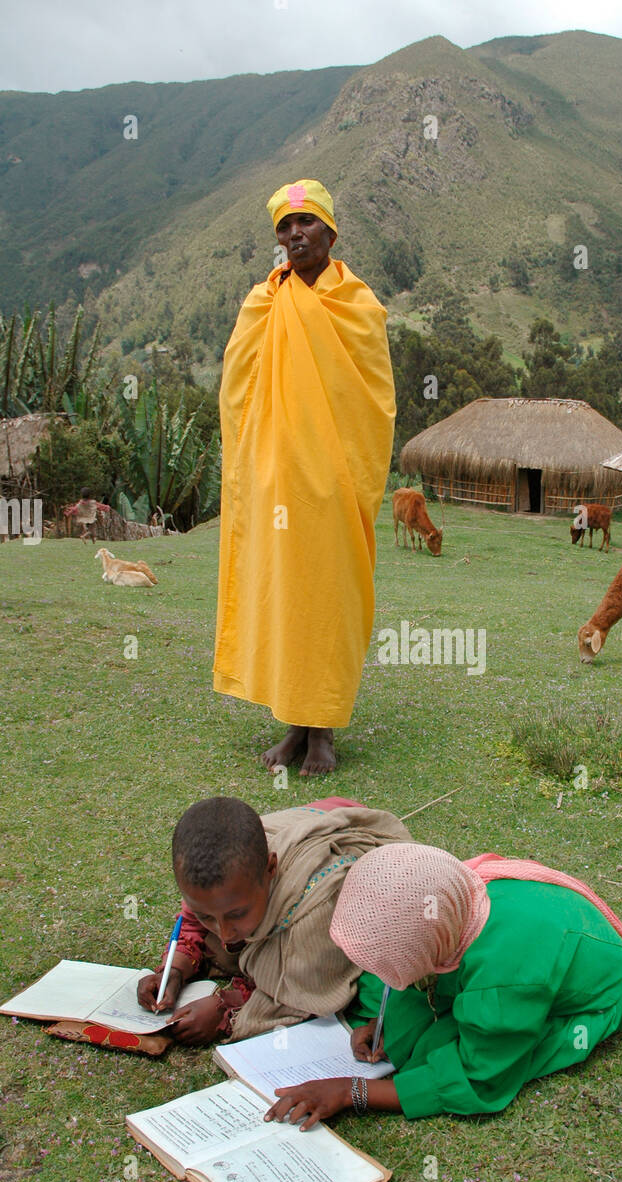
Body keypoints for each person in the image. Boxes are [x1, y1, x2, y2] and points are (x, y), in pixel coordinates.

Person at [263, 844, 622, 1130]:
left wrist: (352, 1092)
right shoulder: (449, 898)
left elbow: (476, 1075)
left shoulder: (506, 977)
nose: (385, 980)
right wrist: (376, 1017)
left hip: (596, 995)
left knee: (451, 1056)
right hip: (522, 951)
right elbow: (399, 971)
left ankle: (543, 1025)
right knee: (403, 1035)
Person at [213, 178, 396, 777]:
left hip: (334, 485)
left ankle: (325, 733)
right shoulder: (262, 303)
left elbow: (373, 400)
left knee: (329, 601)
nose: (295, 235)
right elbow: (237, 392)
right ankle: (295, 728)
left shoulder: (358, 306)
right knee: (288, 600)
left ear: (330, 230)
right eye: (285, 227)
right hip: (277, 486)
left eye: (306, 223)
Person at [136, 796, 412, 1044]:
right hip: (304, 820)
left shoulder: (318, 903)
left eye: (236, 914)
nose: (225, 933)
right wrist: (174, 970)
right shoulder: (221, 874)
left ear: (271, 869)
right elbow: (192, 921)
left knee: (370, 991)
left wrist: (226, 1008)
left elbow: (301, 992)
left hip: (342, 826)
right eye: (207, 916)